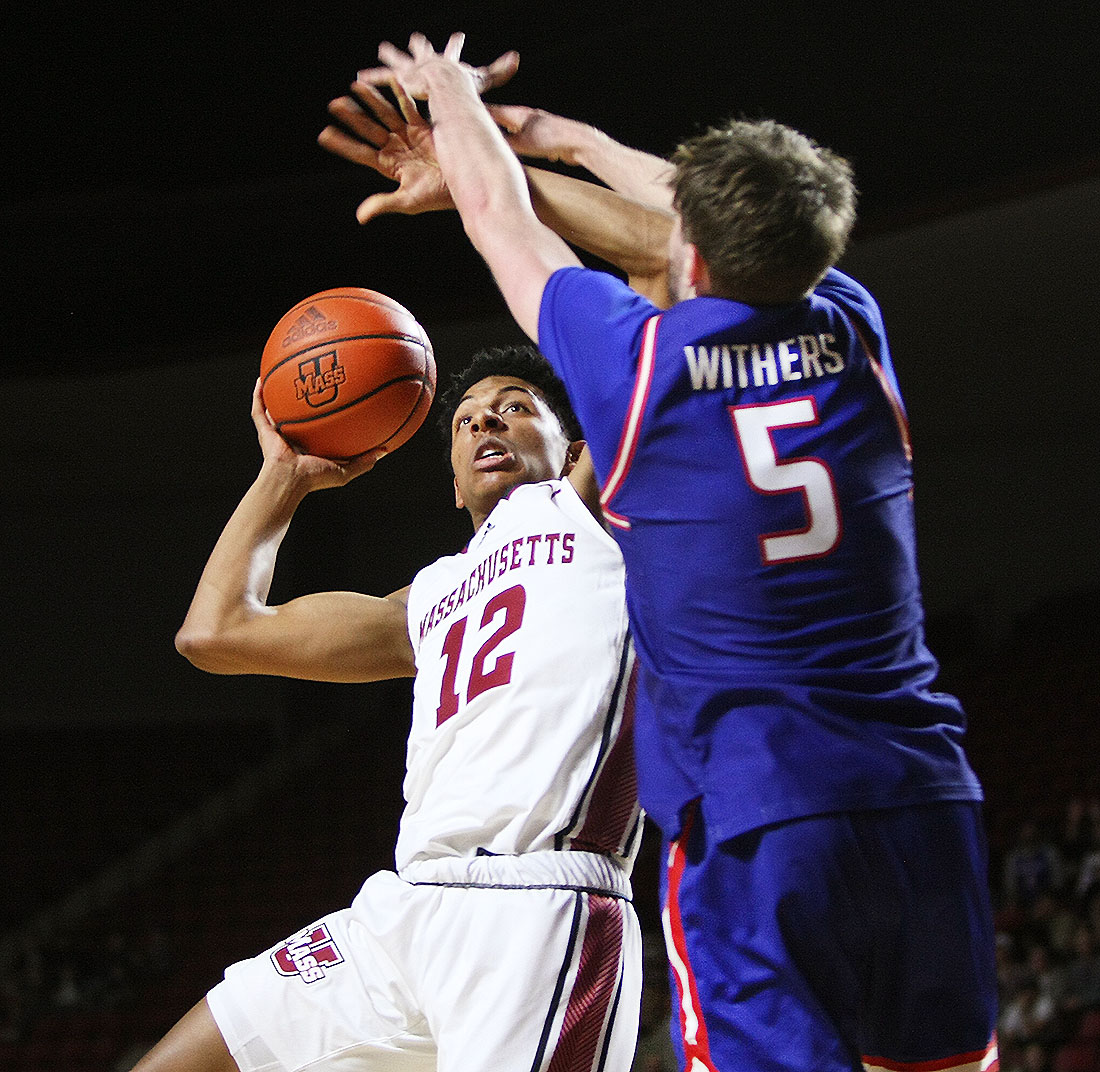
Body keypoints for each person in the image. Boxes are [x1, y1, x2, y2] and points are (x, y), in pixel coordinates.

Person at [351, 32, 999, 1072]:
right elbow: (715, 222)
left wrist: (452, 99)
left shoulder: (637, 370)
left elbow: (496, 217)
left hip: (756, 816)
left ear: (683, 255)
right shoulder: (852, 325)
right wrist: (567, 139)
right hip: (917, 791)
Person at [133, 345, 643, 1072]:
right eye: (465, 421)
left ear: (576, 454)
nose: (484, 421)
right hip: (405, 908)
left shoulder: (599, 517)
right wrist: (284, 478)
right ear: (455, 490)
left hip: (537, 905)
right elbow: (214, 632)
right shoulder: (431, 595)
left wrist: (506, 223)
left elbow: (646, 356)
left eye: (517, 407)